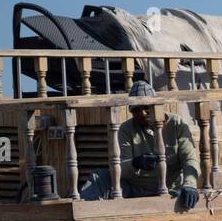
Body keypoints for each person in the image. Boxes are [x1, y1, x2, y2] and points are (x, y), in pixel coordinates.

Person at [80, 81, 200, 209]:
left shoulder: (177, 124)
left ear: (157, 106)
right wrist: (134, 163)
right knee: (99, 177)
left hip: (170, 187)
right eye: (136, 110)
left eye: (146, 107)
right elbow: (120, 167)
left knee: (186, 192)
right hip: (135, 188)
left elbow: (190, 159)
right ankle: (85, 213)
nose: (142, 113)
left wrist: (190, 185)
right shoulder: (126, 129)